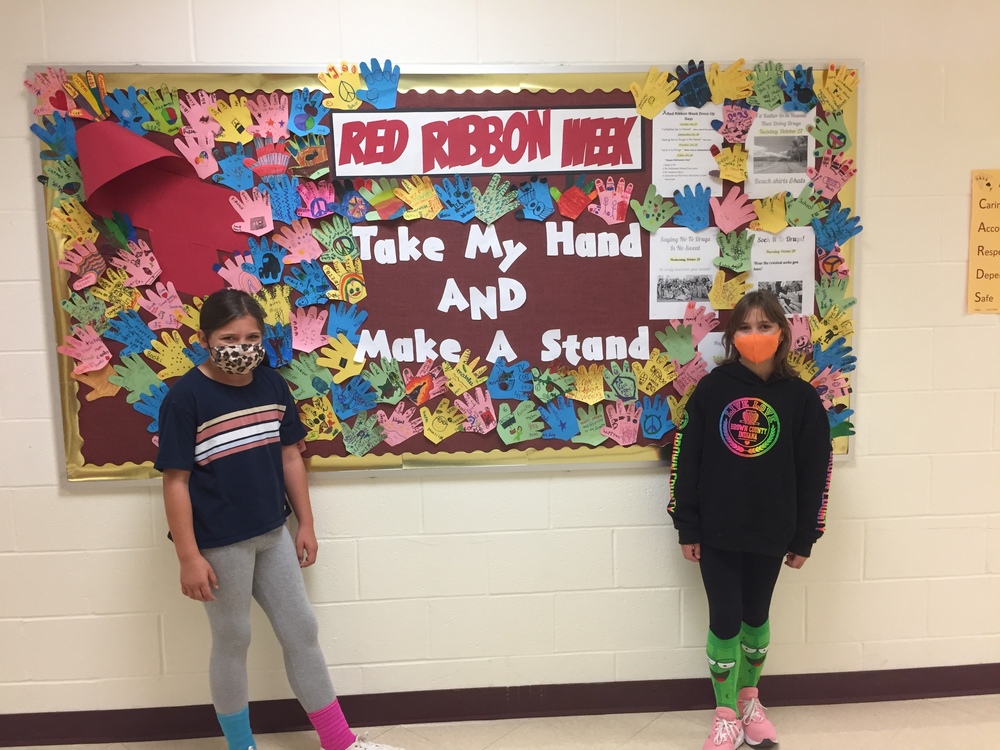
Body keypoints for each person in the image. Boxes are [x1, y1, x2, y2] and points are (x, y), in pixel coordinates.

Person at [155, 289, 400, 750]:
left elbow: (291, 458)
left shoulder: (272, 386)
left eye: (252, 337)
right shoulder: (185, 399)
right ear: (204, 338)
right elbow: (175, 482)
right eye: (230, 337)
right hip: (221, 544)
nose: (242, 347)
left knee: (301, 630)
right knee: (233, 640)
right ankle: (240, 745)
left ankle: (338, 741)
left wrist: (305, 523)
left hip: (273, 533)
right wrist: (188, 555)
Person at [667, 290, 832, 750]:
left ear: (781, 334)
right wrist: (687, 524)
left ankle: (748, 700)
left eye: (764, 326)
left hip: (772, 531)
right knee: (725, 619)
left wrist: (805, 535)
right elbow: (687, 457)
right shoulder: (713, 389)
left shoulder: (801, 399)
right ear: (731, 336)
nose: (754, 335)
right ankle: (723, 713)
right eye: (744, 327)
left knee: (756, 617)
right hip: (718, 529)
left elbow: (816, 470)